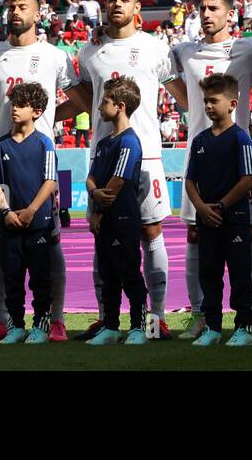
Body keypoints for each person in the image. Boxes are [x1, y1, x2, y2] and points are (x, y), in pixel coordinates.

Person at [57, 0, 175, 340]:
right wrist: (46, 118)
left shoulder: (157, 48)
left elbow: (181, 91)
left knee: (151, 232)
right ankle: (106, 316)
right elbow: (86, 101)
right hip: (103, 155)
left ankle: (155, 319)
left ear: (137, 8)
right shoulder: (90, 51)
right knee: (101, 233)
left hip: (148, 155)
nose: (117, 4)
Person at [0, 0, 76, 343]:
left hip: (43, 163)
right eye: (10, 5)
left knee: (50, 241)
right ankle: (1, 319)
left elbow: (81, 99)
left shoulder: (56, 56)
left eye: (22, 6)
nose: (14, 12)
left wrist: (51, 119)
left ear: (38, 14)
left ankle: (55, 319)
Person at [165, 0, 252, 340]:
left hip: (235, 157)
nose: (206, 14)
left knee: (249, 234)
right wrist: (188, 104)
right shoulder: (184, 51)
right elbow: (162, 71)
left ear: (231, 13)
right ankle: (201, 317)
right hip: (199, 154)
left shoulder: (250, 48)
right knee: (196, 237)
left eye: (213, 8)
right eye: (202, 8)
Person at [184, 73, 252, 347]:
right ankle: (213, 327)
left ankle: (245, 328)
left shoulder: (241, 138)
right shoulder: (200, 140)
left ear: (232, 103)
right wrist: (201, 207)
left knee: (239, 274)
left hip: (234, 218)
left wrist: (223, 205)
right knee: (209, 273)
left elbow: (247, 178)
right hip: (207, 219)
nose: (208, 106)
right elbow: (190, 180)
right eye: (205, 101)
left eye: (214, 100)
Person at [0, 82, 59, 345]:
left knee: (40, 278)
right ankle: (15, 325)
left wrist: (31, 210)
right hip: (10, 223)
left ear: (37, 112)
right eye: (13, 104)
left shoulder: (44, 144)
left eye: (21, 105)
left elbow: (50, 181)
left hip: (38, 222)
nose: (14, 109)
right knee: (12, 277)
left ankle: (41, 324)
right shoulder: (0, 145)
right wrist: (6, 211)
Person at [85, 76, 149, 347]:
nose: (99, 107)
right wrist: (93, 192)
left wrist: (98, 208)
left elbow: (117, 181)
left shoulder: (129, 142)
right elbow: (91, 178)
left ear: (120, 106)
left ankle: (139, 327)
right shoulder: (102, 143)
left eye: (105, 101)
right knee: (108, 275)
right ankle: (111, 325)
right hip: (105, 217)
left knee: (130, 273)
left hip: (122, 217)